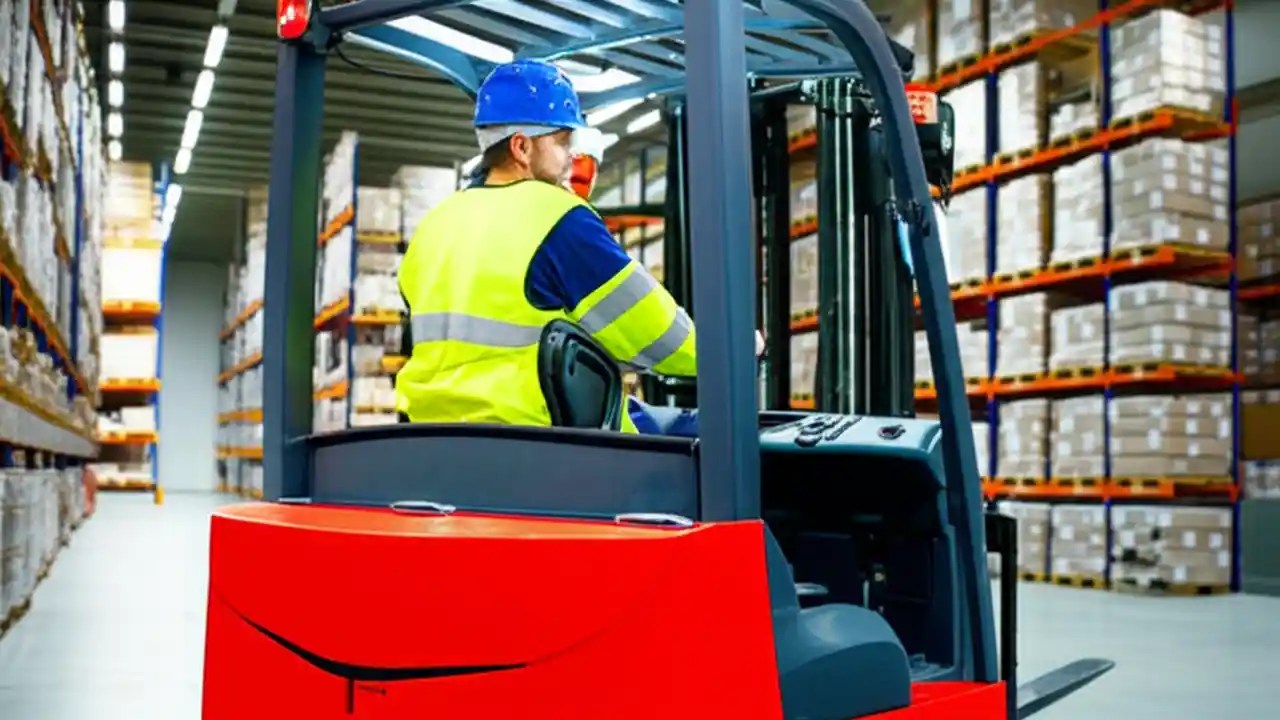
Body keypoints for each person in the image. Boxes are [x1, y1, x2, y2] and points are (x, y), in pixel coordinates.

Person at [395, 59, 701, 434]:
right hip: (540, 442)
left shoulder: (434, 225)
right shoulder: (558, 217)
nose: (571, 155)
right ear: (521, 146)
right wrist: (726, 353)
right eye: (562, 141)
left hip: (435, 437)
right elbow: (653, 330)